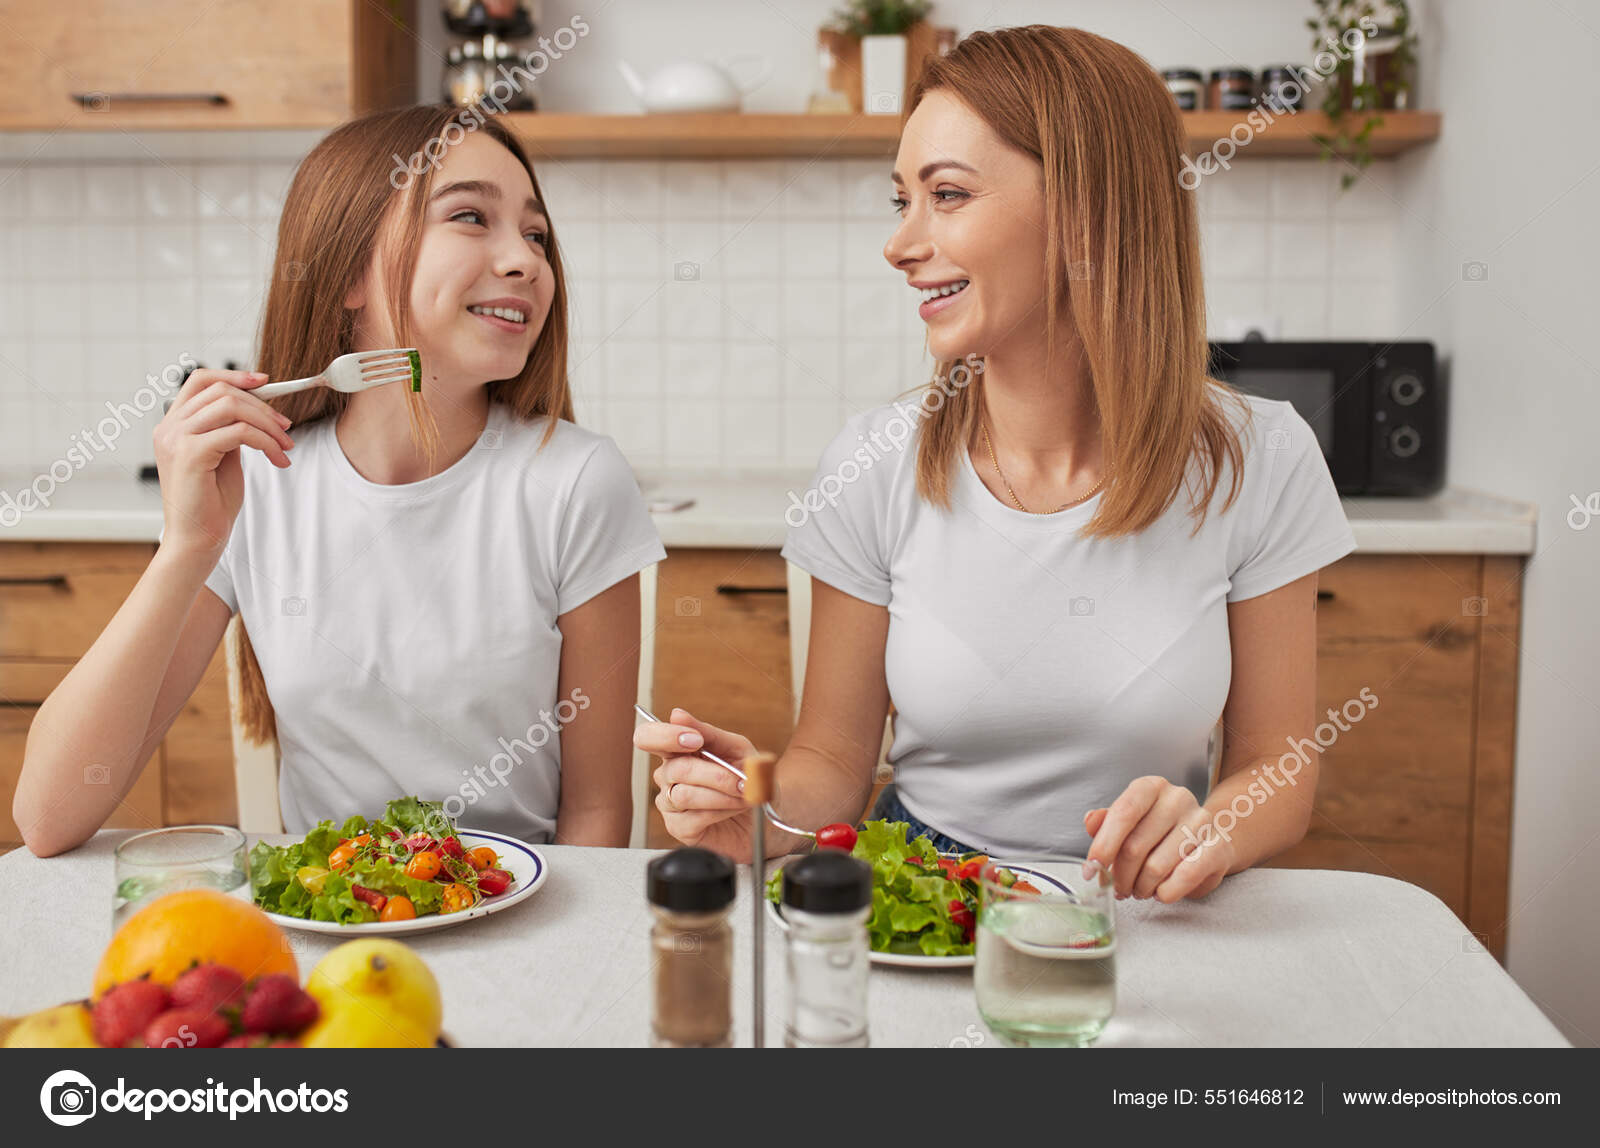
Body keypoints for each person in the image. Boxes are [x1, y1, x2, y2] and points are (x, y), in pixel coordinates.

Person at [635, 26, 1356, 904]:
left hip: (1147, 901)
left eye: (947, 195)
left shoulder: (1262, 459)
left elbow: (1278, 767)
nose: (901, 244)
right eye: (902, 199)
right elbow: (830, 766)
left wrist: (1208, 829)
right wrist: (748, 806)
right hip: (928, 893)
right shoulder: (871, 464)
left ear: (1089, 210)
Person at [15, 105, 664, 855]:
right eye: (469, 217)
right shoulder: (259, 483)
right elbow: (48, 817)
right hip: (333, 929)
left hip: (521, 912)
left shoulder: (577, 482)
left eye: (535, 233)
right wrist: (186, 547)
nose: (524, 259)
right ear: (350, 272)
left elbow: (594, 818)